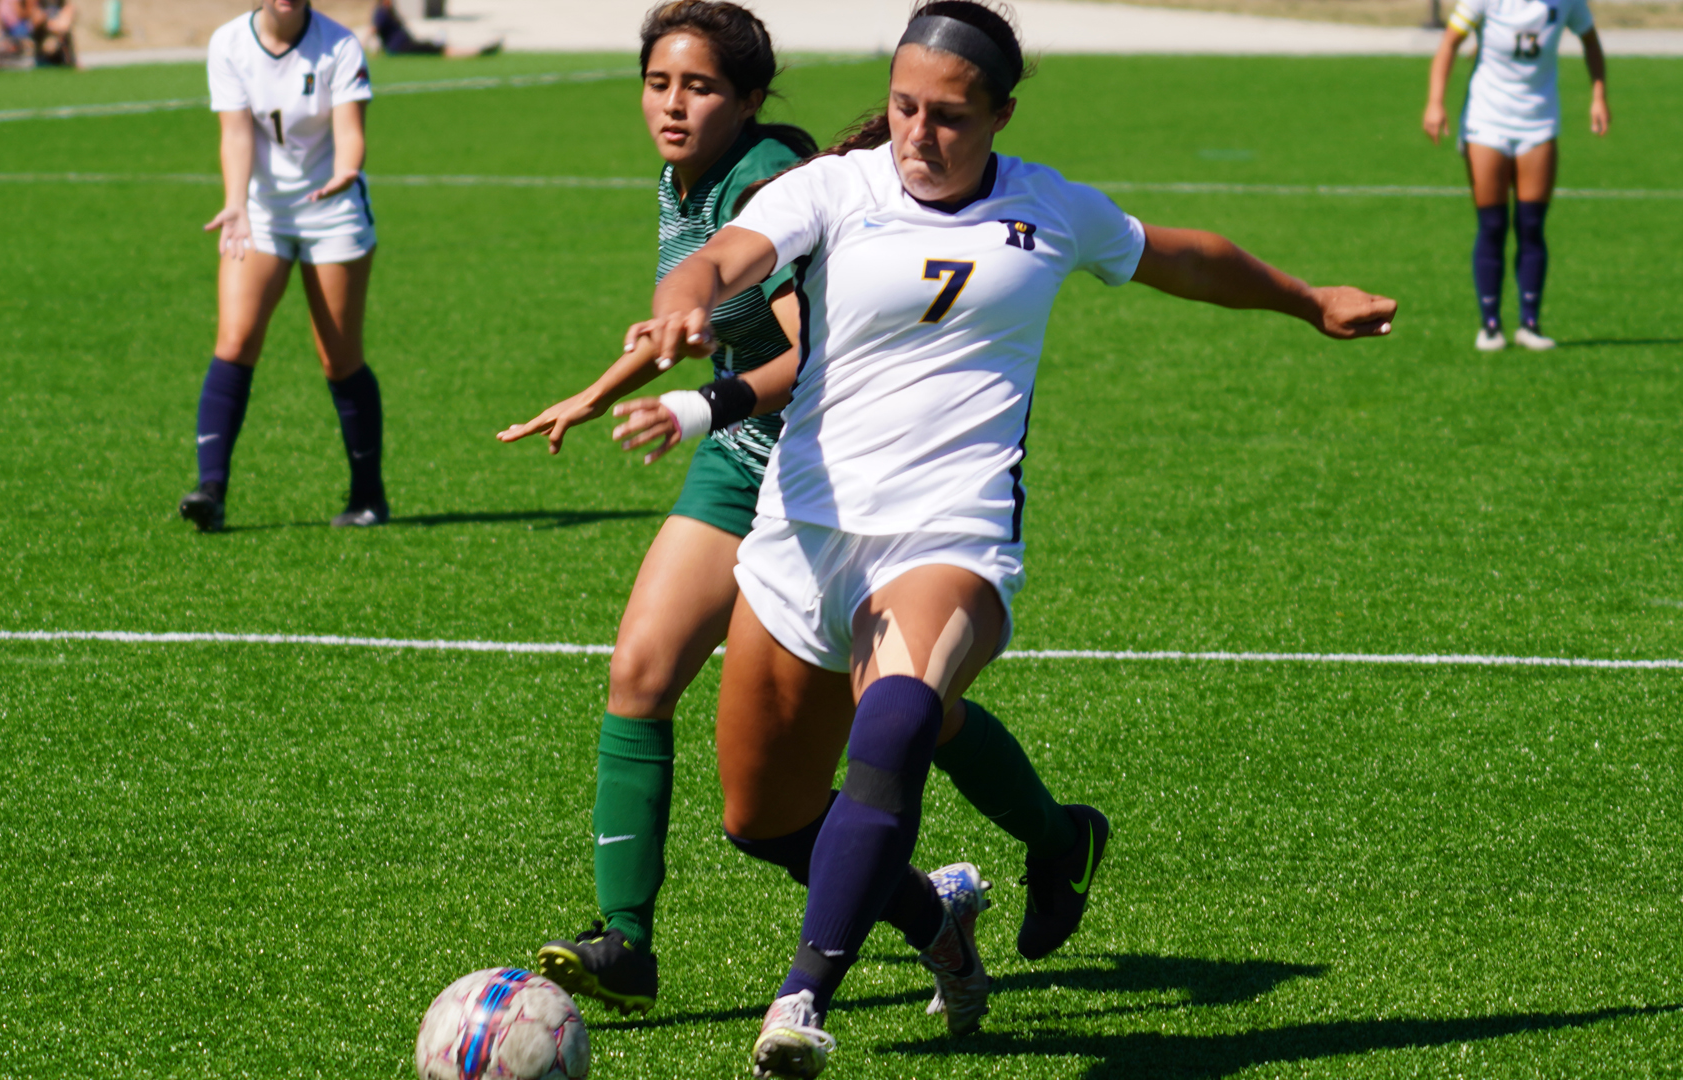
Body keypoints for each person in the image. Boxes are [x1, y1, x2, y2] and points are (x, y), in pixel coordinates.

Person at [623, 2, 1398, 1073]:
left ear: (1000, 116)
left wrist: (1308, 300)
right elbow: (723, 259)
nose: (916, 136)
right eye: (901, 107)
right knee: (761, 820)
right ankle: (943, 926)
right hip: (802, 530)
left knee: (895, 722)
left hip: (953, 532)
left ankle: (800, 1001)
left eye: (948, 116)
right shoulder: (833, 190)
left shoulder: (1047, 207)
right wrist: (681, 307)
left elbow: (1185, 256)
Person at [501, 0, 1104, 1023]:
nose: (674, 106)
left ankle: (1049, 839)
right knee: (642, 674)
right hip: (740, 464)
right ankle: (630, 941)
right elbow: (686, 310)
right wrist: (603, 389)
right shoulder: (684, 181)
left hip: (823, 471)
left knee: (916, 712)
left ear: (746, 100)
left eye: (698, 88)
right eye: (659, 84)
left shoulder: (771, 186)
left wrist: (696, 404)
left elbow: (800, 356)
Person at [181, 0, 387, 533]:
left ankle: (368, 496)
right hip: (260, 214)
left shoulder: (339, 44)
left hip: (333, 211)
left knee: (338, 360)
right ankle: (211, 490)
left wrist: (347, 170)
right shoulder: (228, 43)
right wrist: (235, 203)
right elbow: (235, 133)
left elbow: (351, 130)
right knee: (234, 340)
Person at [1424, 0, 1608, 352]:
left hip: (1539, 122)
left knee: (1531, 224)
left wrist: (1598, 95)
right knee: (1492, 224)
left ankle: (1530, 324)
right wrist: (1436, 101)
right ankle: (1490, 325)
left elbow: (1590, 41)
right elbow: (1449, 42)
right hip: (1486, 121)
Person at [27, 0, 72, 67]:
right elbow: (34, 22)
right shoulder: (39, 5)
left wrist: (48, 22)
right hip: (42, 44)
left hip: (59, 44)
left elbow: (64, 26)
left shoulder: (65, 5)